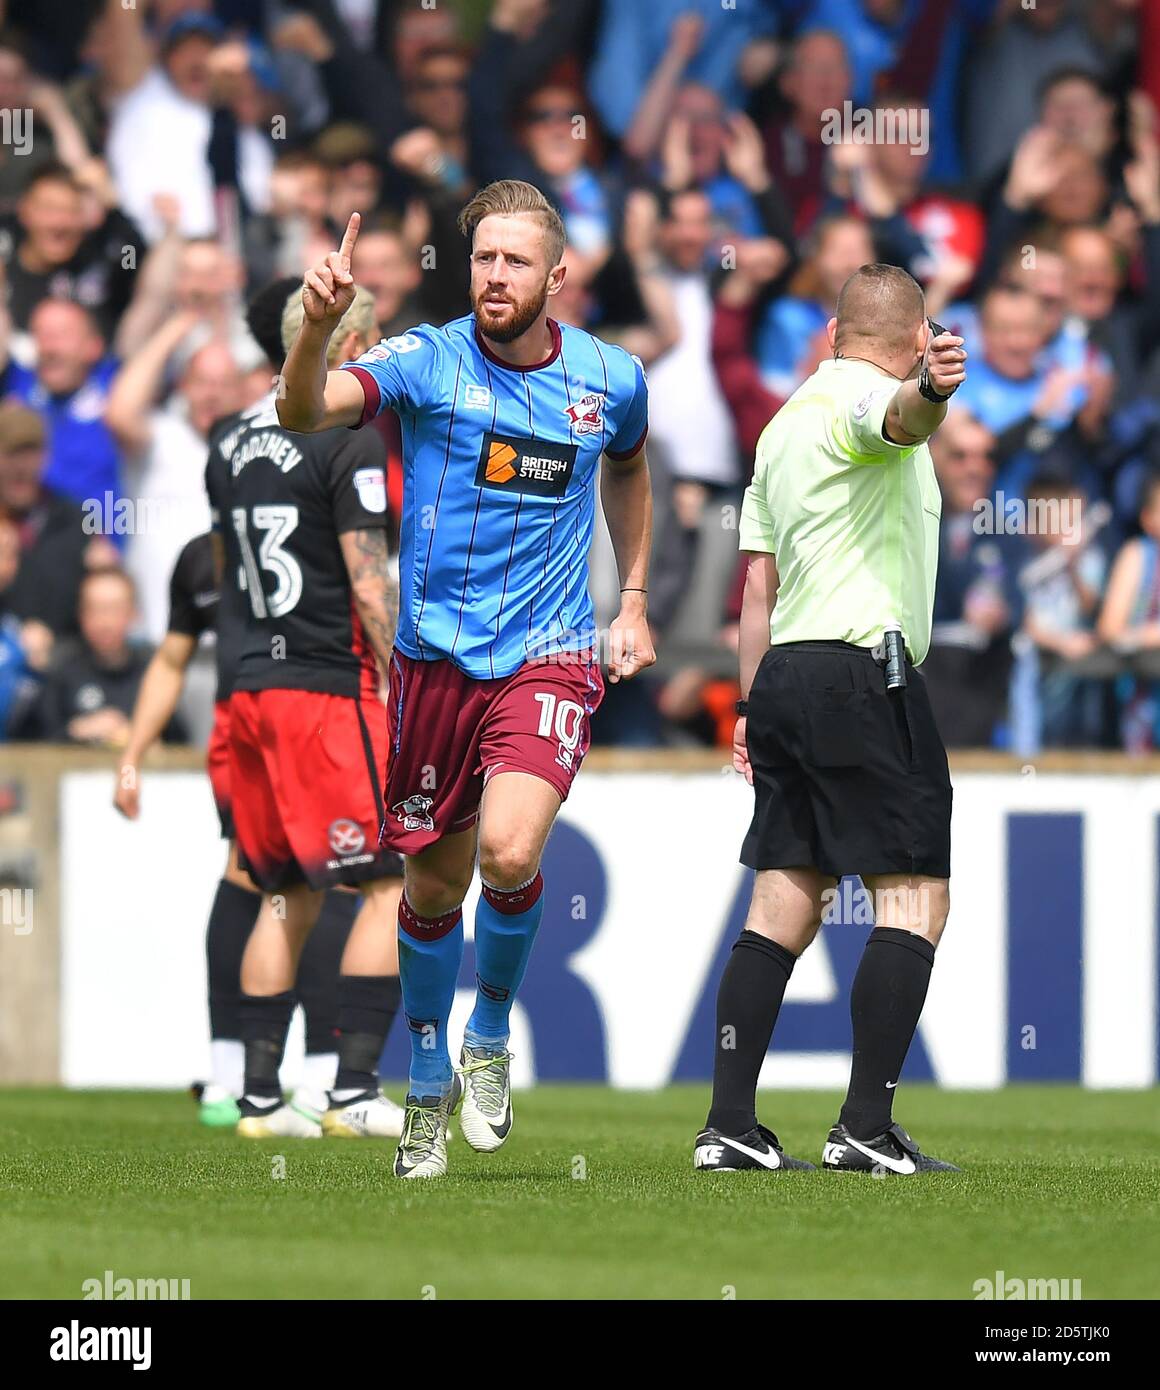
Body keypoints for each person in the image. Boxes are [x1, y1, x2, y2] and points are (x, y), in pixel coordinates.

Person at [277, 178, 655, 1178]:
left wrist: (634, 594)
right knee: (432, 887)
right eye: (483, 258)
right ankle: (430, 1074)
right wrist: (313, 331)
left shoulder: (611, 379)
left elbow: (627, 464)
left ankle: (489, 1028)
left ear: (555, 276)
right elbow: (305, 411)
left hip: (549, 654)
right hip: (435, 660)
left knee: (510, 849)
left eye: (514, 261)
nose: (494, 276)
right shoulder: (426, 358)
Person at [695, 262, 966, 1176]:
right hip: (865, 676)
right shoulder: (870, 403)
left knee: (784, 894)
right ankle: (863, 1126)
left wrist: (744, 704)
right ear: (912, 338)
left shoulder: (779, 427)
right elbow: (899, 421)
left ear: (834, 332)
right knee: (915, 891)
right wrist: (927, 390)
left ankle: (729, 1124)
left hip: (783, 679)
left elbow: (757, 586)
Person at [208, 285, 407, 1142]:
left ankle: (257, 1099)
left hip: (247, 684)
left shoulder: (227, 442)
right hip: (326, 686)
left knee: (282, 888)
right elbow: (368, 582)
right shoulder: (345, 435)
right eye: (378, 338)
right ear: (349, 339)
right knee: (391, 883)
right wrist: (407, 676)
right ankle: (352, 1090)